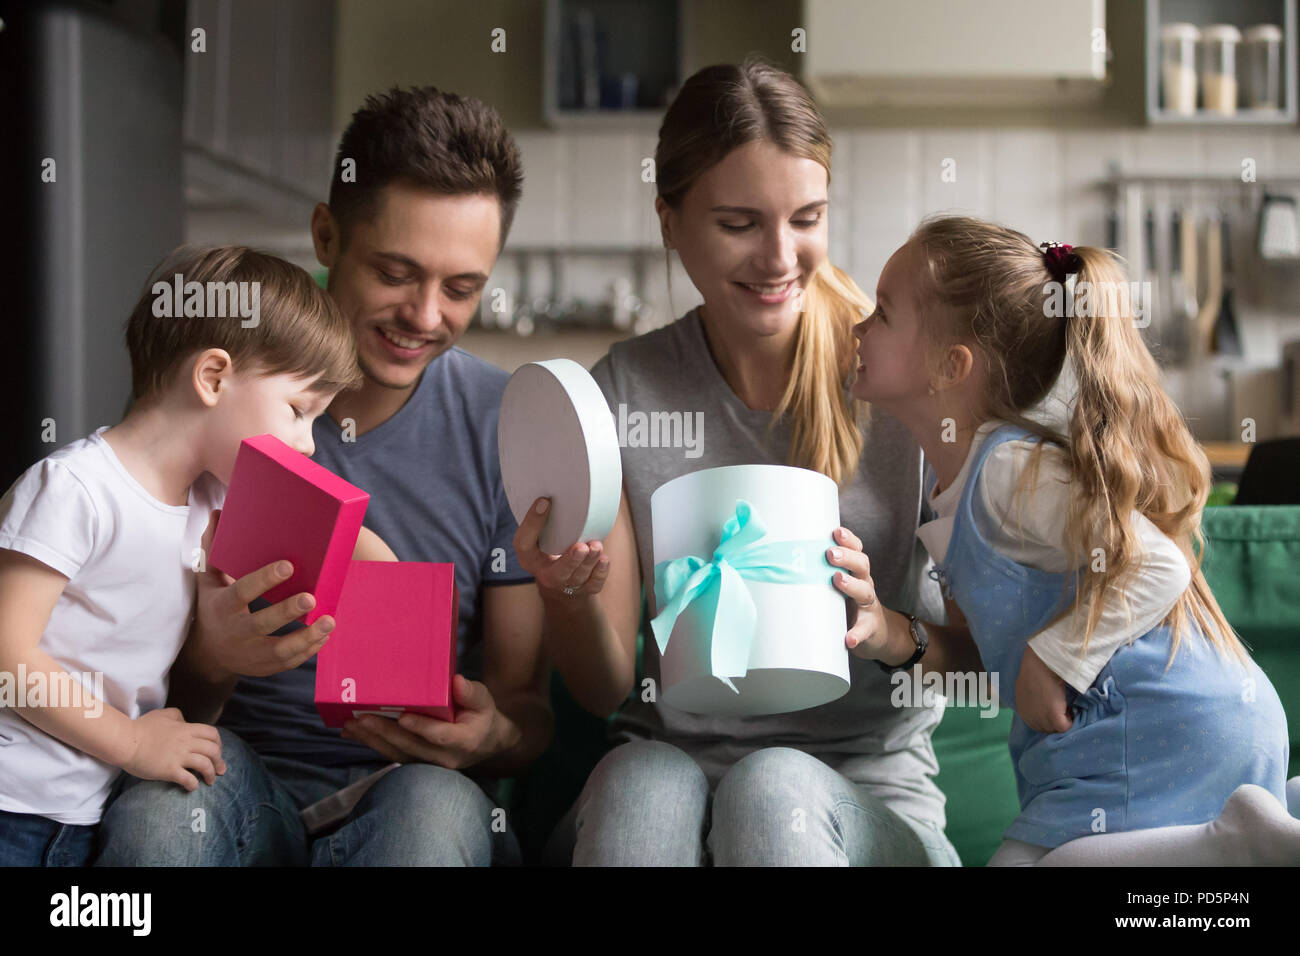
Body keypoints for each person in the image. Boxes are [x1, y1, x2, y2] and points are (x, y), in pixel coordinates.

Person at [515, 58, 974, 866]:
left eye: (807, 217)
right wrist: (567, 595)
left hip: (865, 790)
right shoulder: (621, 393)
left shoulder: (902, 378)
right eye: (739, 223)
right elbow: (604, 688)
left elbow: (983, 652)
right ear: (670, 220)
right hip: (673, 779)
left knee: (773, 791)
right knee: (639, 781)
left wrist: (888, 632)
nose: (779, 257)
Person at [95, 87, 553, 867]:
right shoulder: (215, 392)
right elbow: (133, 691)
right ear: (326, 234)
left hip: (407, 788)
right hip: (235, 772)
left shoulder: (506, 423)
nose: (425, 314)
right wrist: (213, 658)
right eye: (396, 272)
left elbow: (528, 718)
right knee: (159, 814)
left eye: (462, 288)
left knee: (435, 814)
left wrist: (491, 735)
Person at [850, 213, 1300, 865]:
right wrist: (888, 630)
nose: (858, 327)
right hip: (1134, 742)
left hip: (1156, 732)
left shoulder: (1007, 472)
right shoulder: (955, 489)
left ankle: (1251, 840)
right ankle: (1251, 837)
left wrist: (1055, 658)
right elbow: (984, 657)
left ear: (951, 366)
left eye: (882, 313)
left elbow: (1158, 565)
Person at [0, 245, 372, 865]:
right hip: (15, 805)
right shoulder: (75, 489)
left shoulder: (209, 500)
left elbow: (370, 555)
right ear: (213, 377)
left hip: (84, 813)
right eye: (299, 411)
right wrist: (131, 743)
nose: (308, 445)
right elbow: (7, 654)